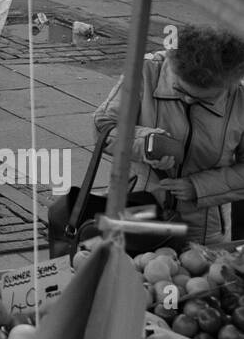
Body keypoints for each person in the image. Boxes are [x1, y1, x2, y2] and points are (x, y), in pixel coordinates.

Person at [91, 25, 244, 247]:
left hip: (205, 229)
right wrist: (143, 143)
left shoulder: (240, 98)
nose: (189, 101)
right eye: (181, 91)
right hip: (138, 210)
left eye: (204, 100)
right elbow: (102, 126)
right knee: (131, 271)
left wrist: (199, 187)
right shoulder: (146, 71)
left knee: (199, 277)